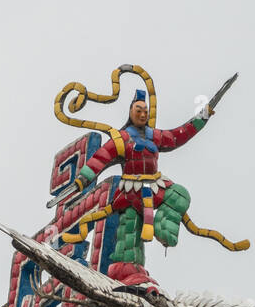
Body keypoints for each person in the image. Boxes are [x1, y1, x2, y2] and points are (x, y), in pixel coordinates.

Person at [70, 89, 213, 290]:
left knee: (179, 194)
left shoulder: (154, 136)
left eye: (145, 110)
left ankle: (164, 229)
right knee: (130, 229)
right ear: (130, 112)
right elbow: (101, 157)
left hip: (155, 184)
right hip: (131, 189)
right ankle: (126, 271)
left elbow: (177, 135)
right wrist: (82, 179)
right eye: (139, 109)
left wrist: (202, 117)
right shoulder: (122, 138)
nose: (143, 114)